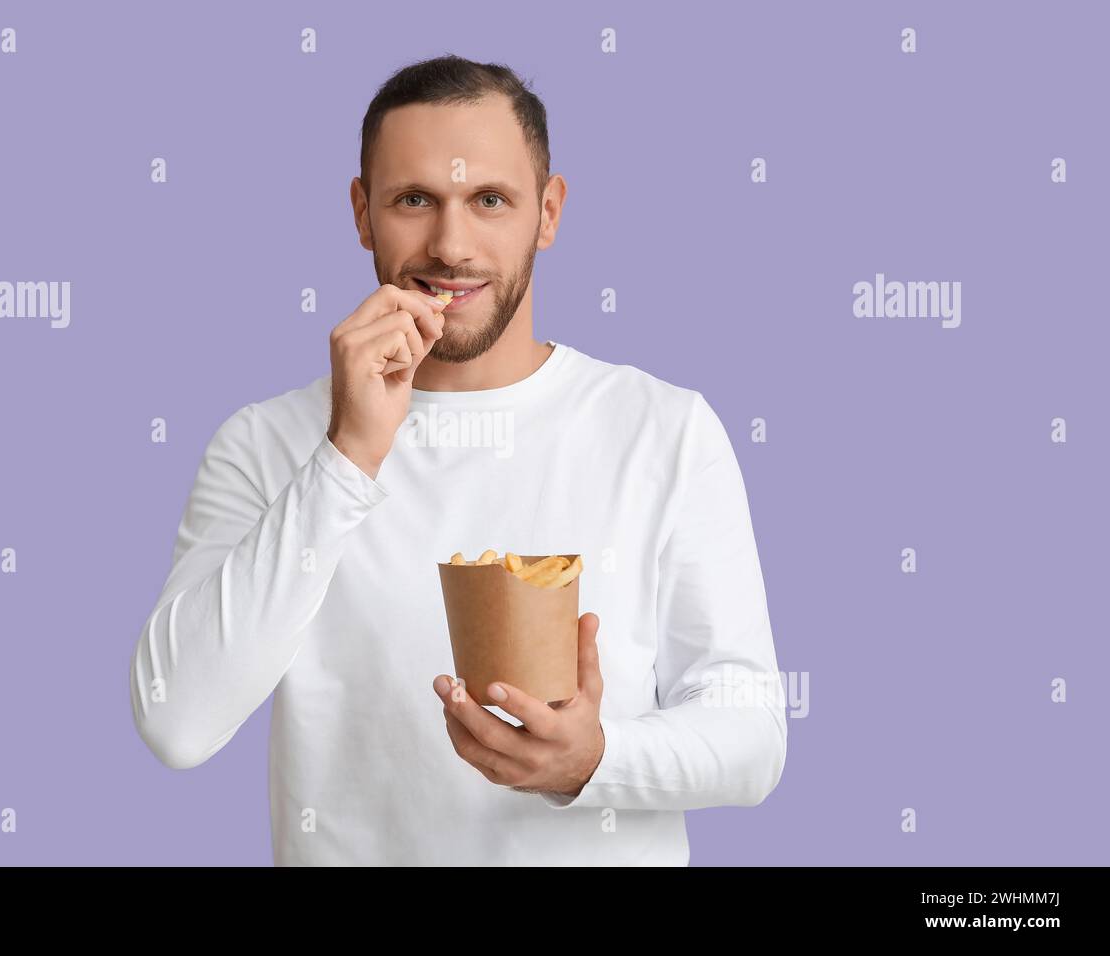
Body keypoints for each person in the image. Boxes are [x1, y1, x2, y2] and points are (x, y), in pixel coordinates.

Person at [129, 54, 786, 865]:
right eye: (415, 201)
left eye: (489, 200)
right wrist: (349, 452)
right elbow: (177, 722)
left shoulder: (665, 431)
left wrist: (596, 762)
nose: (451, 244)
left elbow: (753, 732)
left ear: (548, 213)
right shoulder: (264, 445)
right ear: (362, 213)